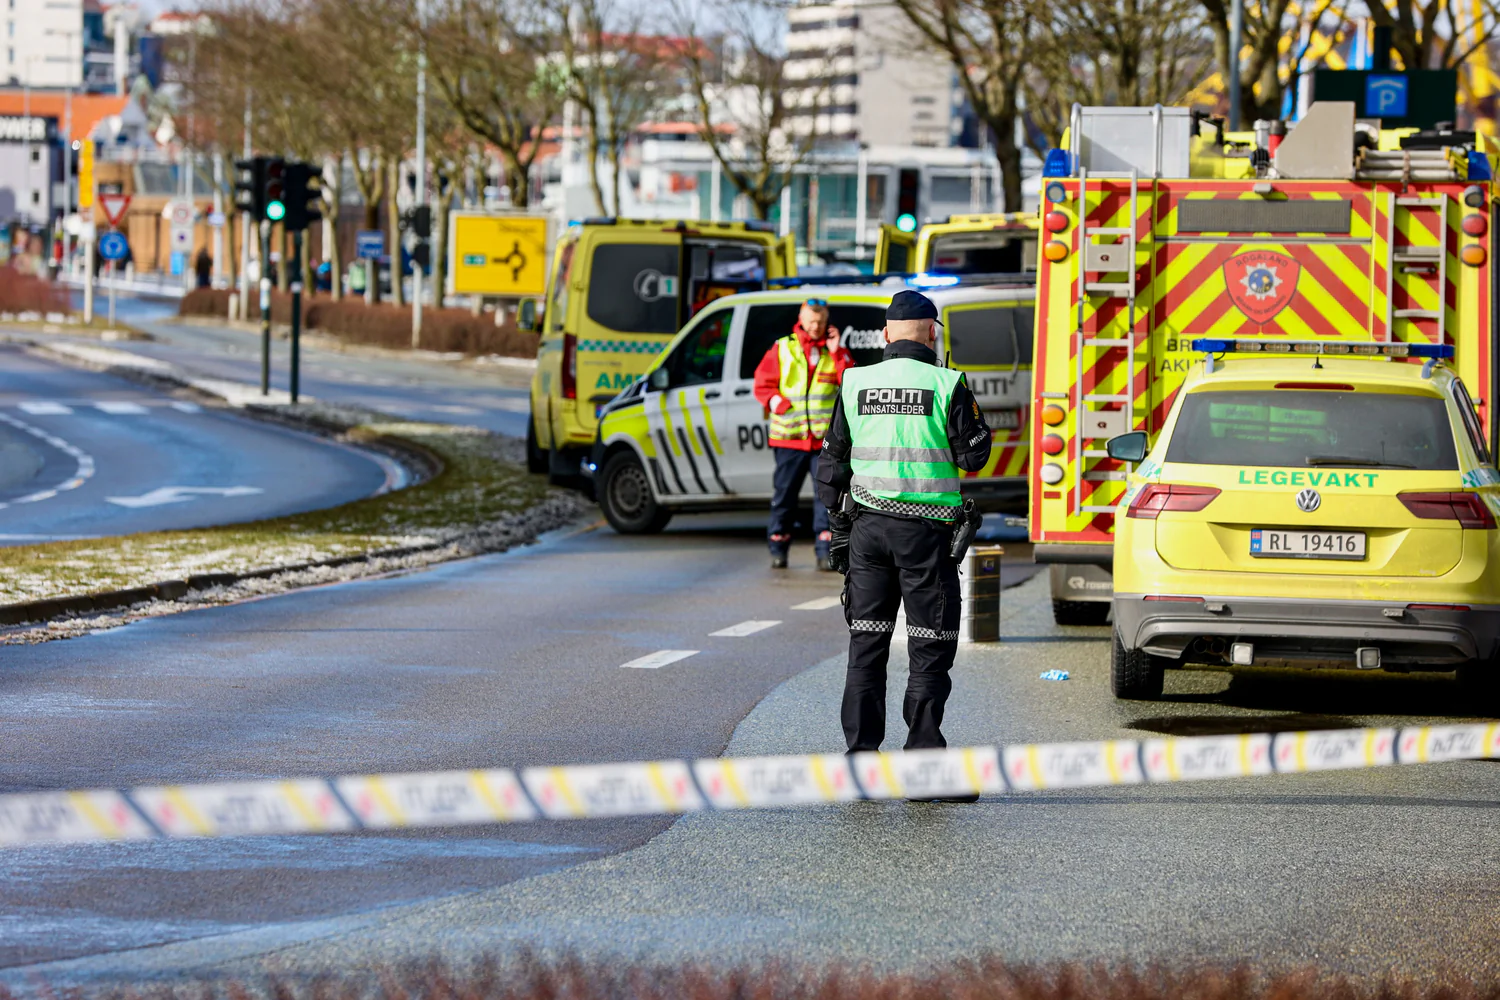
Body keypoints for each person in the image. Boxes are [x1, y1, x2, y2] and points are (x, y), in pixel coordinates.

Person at [814, 290, 992, 782]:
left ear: (887, 334)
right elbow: (974, 456)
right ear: (932, 333)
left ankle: (860, 762)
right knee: (929, 647)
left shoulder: (854, 382)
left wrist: (838, 525)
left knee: (867, 645)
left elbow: (831, 463)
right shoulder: (947, 383)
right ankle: (923, 765)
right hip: (927, 538)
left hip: (868, 533)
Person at [752, 297, 856, 570]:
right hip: (789, 438)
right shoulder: (783, 347)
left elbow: (851, 382)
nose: (816, 327)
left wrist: (836, 352)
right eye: (811, 321)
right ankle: (778, 547)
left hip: (823, 442)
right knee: (784, 495)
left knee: (826, 497)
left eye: (821, 322)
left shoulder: (833, 351)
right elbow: (762, 384)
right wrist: (778, 403)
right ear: (801, 319)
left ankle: (825, 551)